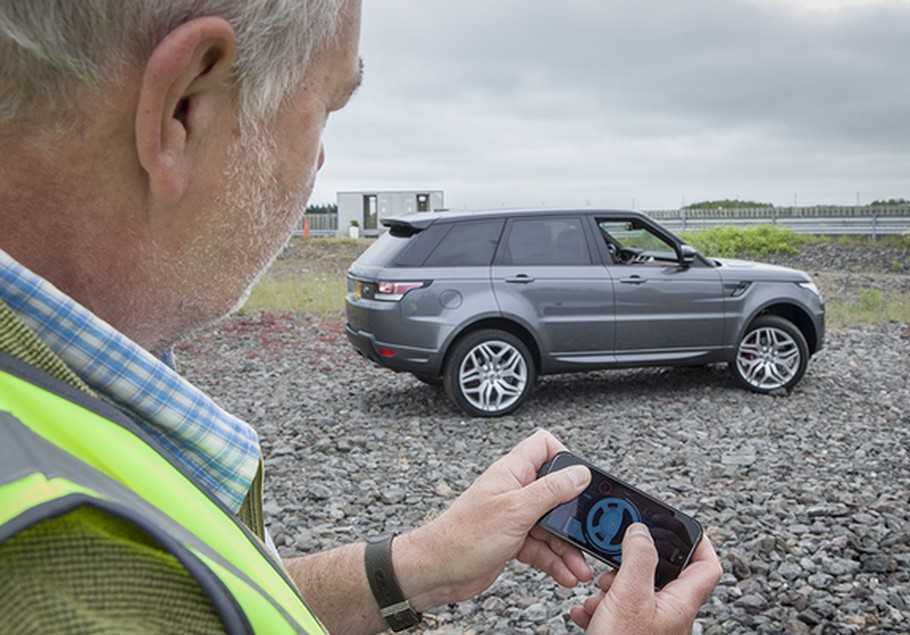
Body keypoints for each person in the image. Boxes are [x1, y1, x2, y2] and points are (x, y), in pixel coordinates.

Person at [0, 0, 722, 632]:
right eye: (327, 107)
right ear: (185, 105)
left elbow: (216, 602)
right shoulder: (61, 573)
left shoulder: (55, 396)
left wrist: (422, 564)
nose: (318, 158)